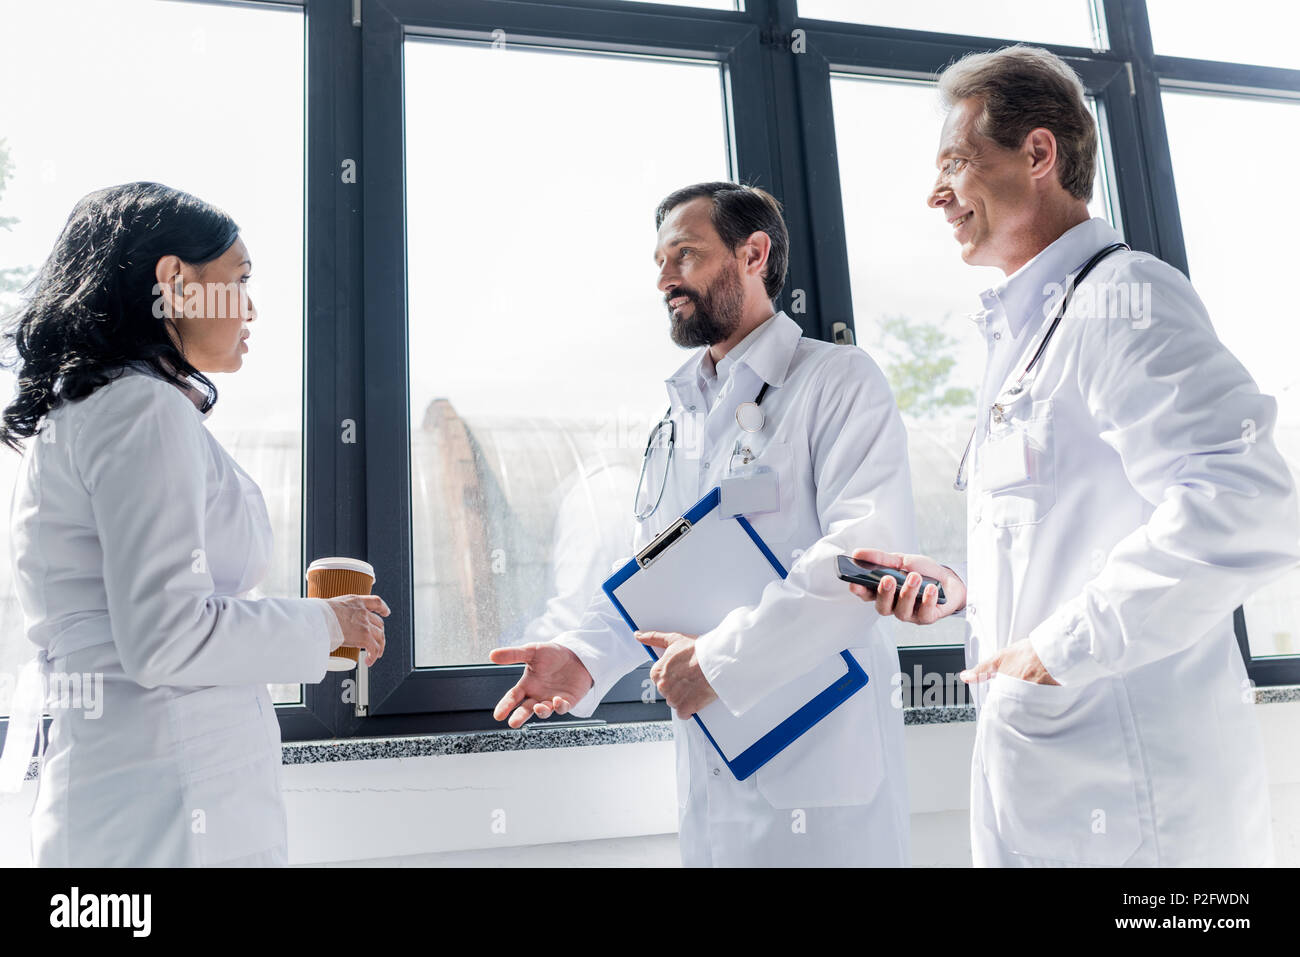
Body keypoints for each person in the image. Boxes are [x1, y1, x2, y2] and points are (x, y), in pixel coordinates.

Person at [848, 46, 1300, 866]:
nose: (935, 193)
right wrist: (963, 595)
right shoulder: (1035, 333)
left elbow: (1249, 501)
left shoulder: (1125, 300)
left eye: (955, 161)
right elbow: (1068, 545)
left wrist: (1061, 648)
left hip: (1139, 817)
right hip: (1047, 793)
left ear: (1040, 153)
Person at [490, 182, 918, 867]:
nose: (663, 278)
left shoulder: (838, 381)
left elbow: (862, 561)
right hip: (714, 769)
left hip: (821, 767)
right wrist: (582, 658)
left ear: (753, 254)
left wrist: (719, 663)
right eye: (659, 261)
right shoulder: (676, 419)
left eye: (683, 255)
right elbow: (655, 581)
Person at [0, 182, 389, 866]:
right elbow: (166, 637)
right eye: (238, 279)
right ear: (175, 283)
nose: (252, 308)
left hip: (130, 785)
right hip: (168, 805)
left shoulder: (92, 408)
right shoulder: (142, 411)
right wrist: (329, 624)